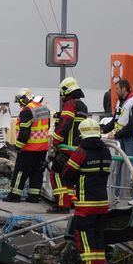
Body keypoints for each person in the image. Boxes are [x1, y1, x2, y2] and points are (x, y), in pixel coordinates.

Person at [61, 118, 110, 264]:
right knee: (99, 236)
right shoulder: (106, 151)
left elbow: (67, 173)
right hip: (102, 203)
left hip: (86, 204)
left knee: (84, 236)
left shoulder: (81, 152)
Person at [48, 77, 88, 212]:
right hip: (78, 149)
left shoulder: (70, 104)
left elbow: (66, 123)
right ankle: (71, 203)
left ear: (66, 91)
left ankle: (61, 205)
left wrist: (55, 142)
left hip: (66, 148)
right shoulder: (83, 106)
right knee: (70, 178)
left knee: (56, 174)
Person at [5, 89, 51, 203]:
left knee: (20, 172)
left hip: (29, 149)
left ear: (23, 99)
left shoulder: (27, 111)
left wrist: (18, 147)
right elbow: (47, 126)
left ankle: (14, 196)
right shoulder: (44, 109)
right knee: (37, 172)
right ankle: (34, 197)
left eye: (19, 102)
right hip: (42, 148)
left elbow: (24, 133)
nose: (20, 105)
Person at [101, 79, 133, 203]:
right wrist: (102, 130)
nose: (115, 91)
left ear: (124, 89)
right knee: (117, 166)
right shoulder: (120, 103)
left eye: (117, 89)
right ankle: (115, 194)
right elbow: (115, 121)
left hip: (131, 139)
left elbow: (132, 125)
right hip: (121, 139)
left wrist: (115, 135)